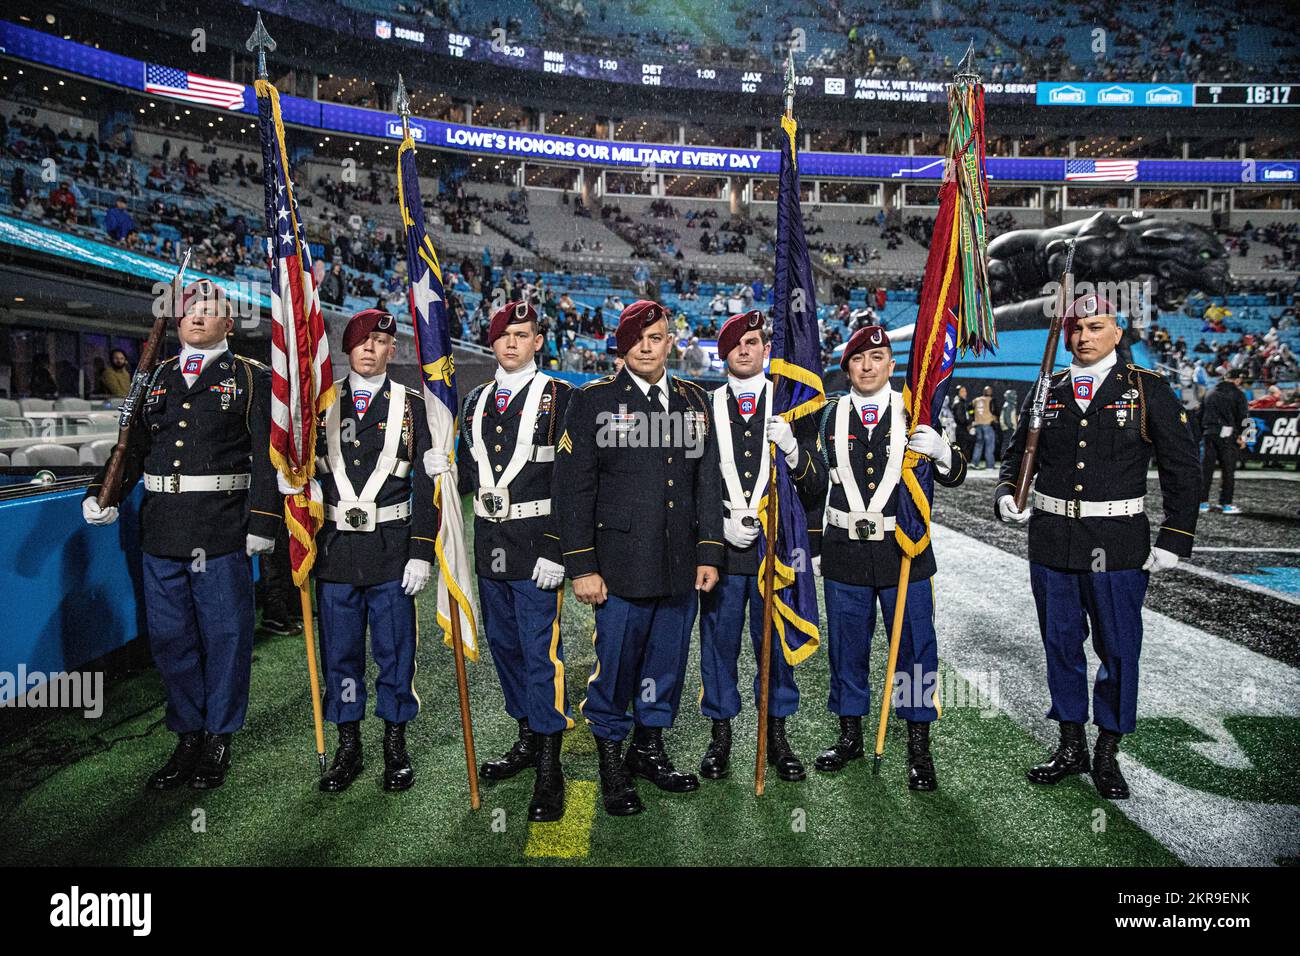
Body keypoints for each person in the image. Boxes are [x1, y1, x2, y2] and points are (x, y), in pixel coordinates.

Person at [996, 294, 1200, 800]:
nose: (1084, 336)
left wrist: (1176, 536)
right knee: (1061, 646)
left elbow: (1182, 467)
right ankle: (1071, 745)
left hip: (1118, 543)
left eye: (1096, 325)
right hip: (1052, 542)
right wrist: (1007, 493)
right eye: (1076, 329)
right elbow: (1017, 453)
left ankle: (1108, 752)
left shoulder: (1146, 389)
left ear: (1116, 331)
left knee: (1118, 648)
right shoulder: (1049, 389)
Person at [81, 280, 280, 790]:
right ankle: (187, 733)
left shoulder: (251, 378)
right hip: (162, 528)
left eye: (211, 311)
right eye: (190, 310)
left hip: (220, 527)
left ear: (228, 325)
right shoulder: (157, 377)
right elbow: (133, 447)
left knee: (226, 637)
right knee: (171, 640)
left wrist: (263, 520)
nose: (197, 317)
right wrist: (103, 494)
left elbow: (267, 458)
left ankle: (219, 735)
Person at [553, 300, 723, 816]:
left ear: (671, 341)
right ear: (623, 346)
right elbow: (573, 489)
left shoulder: (696, 399)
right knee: (617, 668)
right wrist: (582, 565)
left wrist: (709, 551)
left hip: (678, 563)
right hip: (619, 566)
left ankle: (648, 750)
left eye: (659, 337)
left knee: (665, 664)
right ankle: (611, 760)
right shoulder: (592, 401)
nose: (650, 347)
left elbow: (707, 482)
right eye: (640, 338)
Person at [428, 301, 574, 822]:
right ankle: (527, 737)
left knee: (541, 655)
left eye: (523, 333)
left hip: (538, 546)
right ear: (491, 344)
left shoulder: (561, 398)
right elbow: (469, 474)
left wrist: (559, 548)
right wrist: (441, 469)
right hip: (489, 543)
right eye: (503, 335)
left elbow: (574, 483)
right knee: (506, 649)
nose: (512, 342)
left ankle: (550, 765)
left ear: (538, 341)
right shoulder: (472, 403)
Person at [808, 325, 966, 791]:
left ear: (892, 364)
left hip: (905, 551)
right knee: (847, 649)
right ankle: (850, 735)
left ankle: (919, 748)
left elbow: (953, 475)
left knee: (916, 652)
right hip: (844, 551)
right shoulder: (827, 415)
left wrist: (941, 452)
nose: (868, 366)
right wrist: (815, 545)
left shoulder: (916, 413)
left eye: (877, 357)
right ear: (847, 367)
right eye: (859, 359)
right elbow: (816, 487)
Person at [303, 308, 435, 794]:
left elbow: (427, 484)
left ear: (391, 351)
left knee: (395, 653)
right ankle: (348, 745)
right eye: (361, 341)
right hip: (335, 549)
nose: (369, 349)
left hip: (392, 549)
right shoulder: (320, 405)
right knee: (340, 655)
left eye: (379, 343)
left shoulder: (413, 405)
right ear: (347, 348)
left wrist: (422, 550)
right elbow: (307, 474)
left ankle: (394, 744)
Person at [697, 310, 825, 782]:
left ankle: (776, 736)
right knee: (718, 643)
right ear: (724, 354)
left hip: (779, 547)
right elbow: (691, 482)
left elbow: (816, 484)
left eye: (753, 342)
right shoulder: (703, 406)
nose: (746, 350)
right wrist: (714, 529)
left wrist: (792, 448)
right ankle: (721, 736)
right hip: (724, 547)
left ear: (767, 349)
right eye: (736, 344)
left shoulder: (791, 404)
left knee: (774, 643)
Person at [1199, 369, 1250, 515]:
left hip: (1208, 434)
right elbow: (1244, 417)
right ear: (1238, 379)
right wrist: (1245, 437)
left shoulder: (1209, 392)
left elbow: (1199, 415)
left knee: (1206, 470)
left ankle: (1202, 503)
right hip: (1228, 436)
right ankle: (1226, 504)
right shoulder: (1238, 394)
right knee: (1228, 471)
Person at [971, 385, 996, 469]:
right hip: (987, 425)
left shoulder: (976, 400)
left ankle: (974, 463)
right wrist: (994, 418)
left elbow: (970, 410)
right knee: (989, 445)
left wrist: (973, 419)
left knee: (978, 445)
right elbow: (994, 411)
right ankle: (990, 465)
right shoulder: (991, 400)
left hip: (978, 425)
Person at [951, 385, 975, 464]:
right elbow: (960, 419)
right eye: (962, 391)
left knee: (964, 446)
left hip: (963, 428)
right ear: (958, 393)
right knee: (963, 447)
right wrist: (968, 423)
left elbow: (968, 414)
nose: (965, 393)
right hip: (961, 429)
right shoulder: (958, 403)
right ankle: (963, 463)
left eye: (965, 391)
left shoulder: (963, 402)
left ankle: (964, 463)